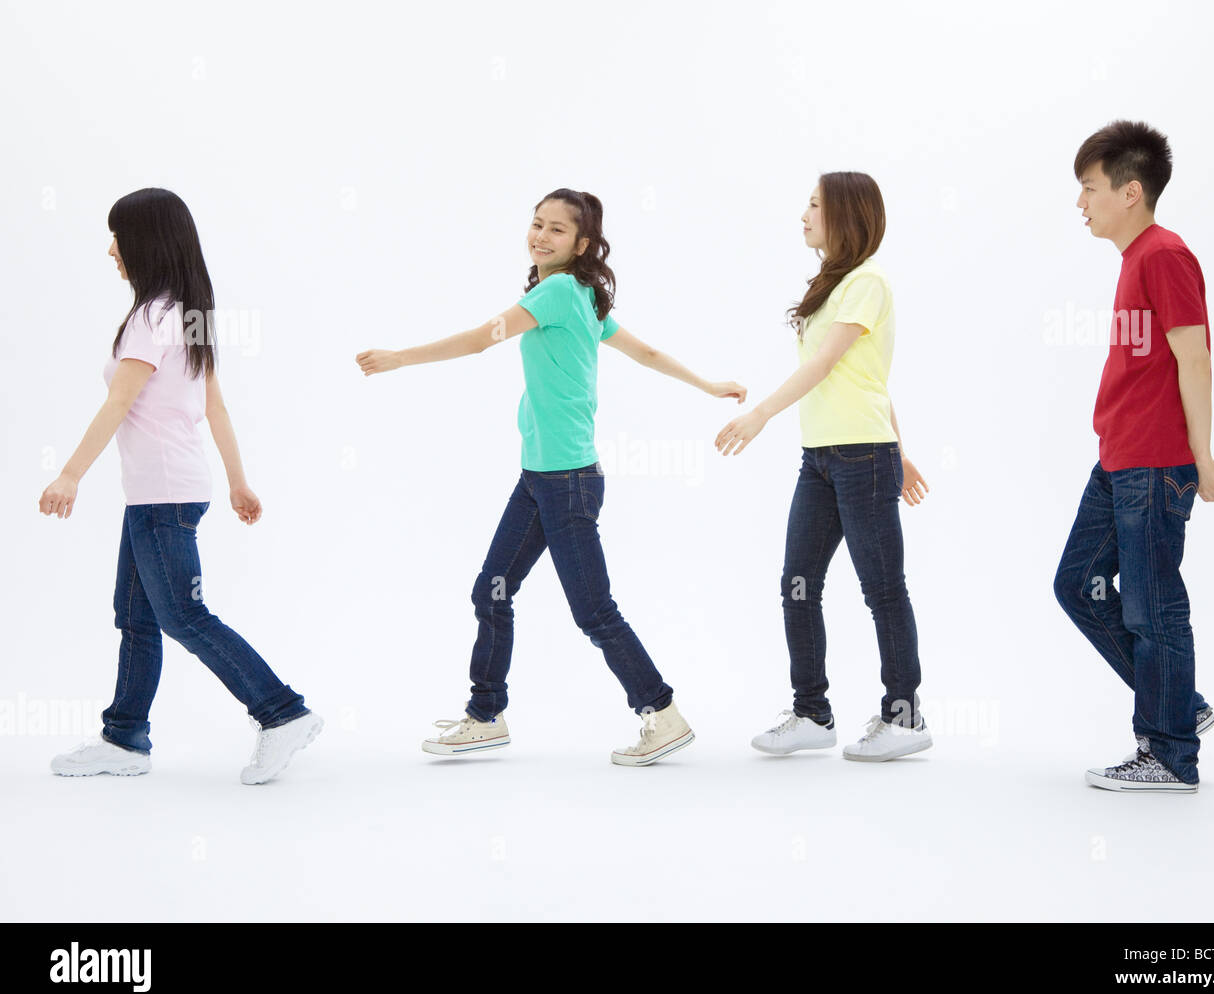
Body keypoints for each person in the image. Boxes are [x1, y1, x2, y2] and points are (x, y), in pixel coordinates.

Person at [356, 188, 745, 765]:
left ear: (582, 245)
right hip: (541, 477)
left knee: (593, 611)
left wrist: (398, 358)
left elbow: (479, 339)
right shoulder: (579, 295)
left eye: (557, 230)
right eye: (537, 224)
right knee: (492, 588)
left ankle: (661, 714)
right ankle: (485, 714)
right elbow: (649, 354)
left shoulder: (562, 291)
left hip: (567, 482)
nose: (541, 235)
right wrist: (708, 384)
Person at [41, 187, 322, 785]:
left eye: (117, 234)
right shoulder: (186, 314)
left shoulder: (151, 318)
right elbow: (214, 407)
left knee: (182, 615)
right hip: (164, 491)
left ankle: (282, 713)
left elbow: (118, 403)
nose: (110, 248)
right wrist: (237, 482)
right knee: (138, 616)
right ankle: (124, 739)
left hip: (163, 496)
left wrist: (69, 474)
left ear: (145, 241)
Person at [715, 171, 933, 762]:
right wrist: (904, 451)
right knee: (798, 584)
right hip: (822, 458)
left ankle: (905, 717)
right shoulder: (833, 286)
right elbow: (870, 380)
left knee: (883, 590)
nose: (804, 215)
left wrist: (760, 414)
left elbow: (829, 367)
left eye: (814, 205)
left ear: (846, 214)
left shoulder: (868, 281)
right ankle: (812, 711)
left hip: (862, 458)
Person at [1054, 120, 1214, 793]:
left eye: (1090, 189)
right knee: (1078, 586)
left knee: (1152, 610)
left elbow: (1195, 357)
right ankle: (1177, 703)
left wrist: (1203, 455)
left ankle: (1169, 753)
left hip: (1156, 465)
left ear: (1131, 192)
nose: (1081, 203)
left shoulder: (1164, 255)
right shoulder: (1136, 260)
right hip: (1118, 461)